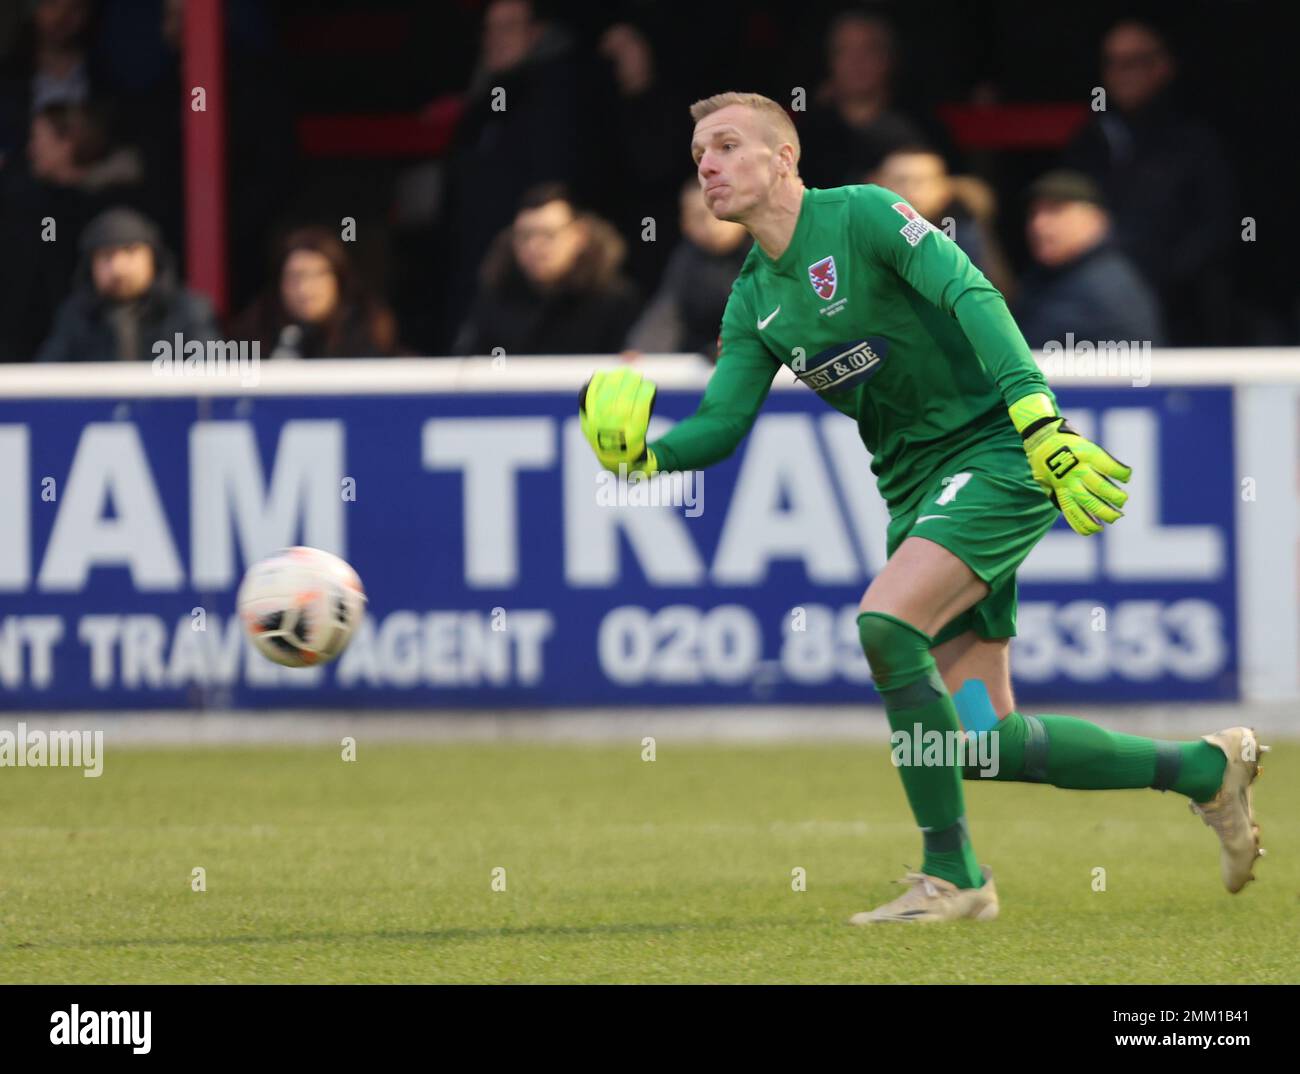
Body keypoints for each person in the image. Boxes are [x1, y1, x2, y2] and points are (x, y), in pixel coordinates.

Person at [578, 92, 1265, 923]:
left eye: (725, 146)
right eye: (698, 156)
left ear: (783, 157)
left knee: (883, 623)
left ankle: (955, 878)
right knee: (978, 740)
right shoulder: (753, 296)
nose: (708, 167)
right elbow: (721, 425)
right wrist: (650, 457)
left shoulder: (863, 215)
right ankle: (1201, 769)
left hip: (998, 454)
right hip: (916, 493)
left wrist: (1036, 417)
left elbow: (971, 295)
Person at [1062, 19, 1235, 344]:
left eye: (1134, 62)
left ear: (1163, 66)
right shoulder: (1090, 141)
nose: (1121, 72)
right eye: (1112, 62)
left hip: (1180, 316)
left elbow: (1216, 228)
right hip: (1094, 311)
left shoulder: (1195, 142)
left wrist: (1156, 279)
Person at [454, 183, 640, 356]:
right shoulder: (496, 296)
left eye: (548, 235)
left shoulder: (615, 302)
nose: (535, 246)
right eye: (525, 236)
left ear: (578, 236)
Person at [36, 205, 218, 361]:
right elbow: (48, 379)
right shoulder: (75, 316)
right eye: (106, 257)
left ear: (153, 258)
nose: (118, 268)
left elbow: (215, 378)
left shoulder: (189, 312)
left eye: (130, 252)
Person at [1013, 170, 1165, 349]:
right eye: (1034, 213)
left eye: (1055, 210)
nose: (1038, 224)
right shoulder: (1055, 276)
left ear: (1096, 219)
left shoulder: (1102, 285)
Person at [624, 179, 750, 359]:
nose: (712, 225)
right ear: (685, 224)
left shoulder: (771, 250)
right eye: (699, 216)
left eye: (722, 211)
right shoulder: (686, 259)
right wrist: (641, 351)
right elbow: (668, 312)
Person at [869, 144, 1014, 299]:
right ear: (877, 184)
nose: (910, 190)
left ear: (944, 188)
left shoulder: (961, 239)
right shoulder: (858, 232)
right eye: (900, 181)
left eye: (921, 181)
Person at [229, 228, 399, 359]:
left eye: (318, 275)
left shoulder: (370, 333)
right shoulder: (252, 335)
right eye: (295, 276)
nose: (305, 289)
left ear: (339, 280)